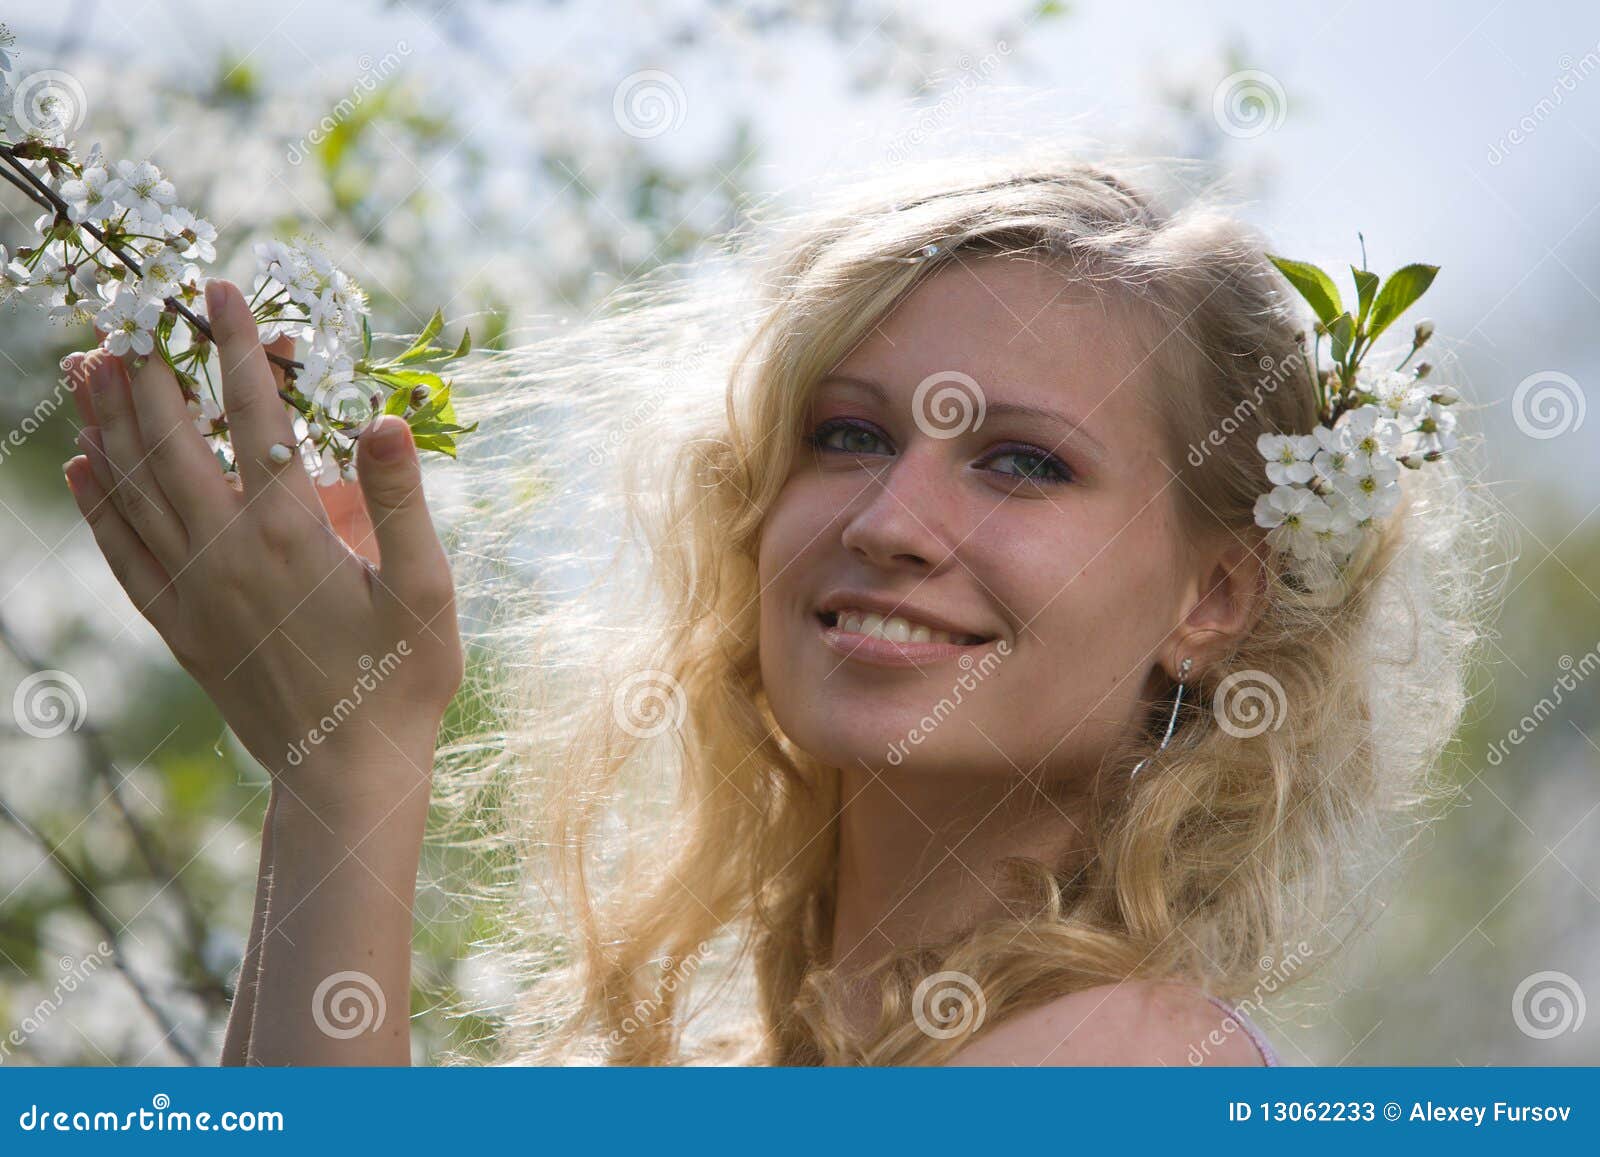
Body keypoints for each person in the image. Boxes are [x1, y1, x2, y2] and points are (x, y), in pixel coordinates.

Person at [60, 151, 1496, 1066]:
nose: (887, 522)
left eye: (1022, 461)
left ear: (1216, 594)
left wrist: (352, 766)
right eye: (849, 434)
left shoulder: (1119, 1062)